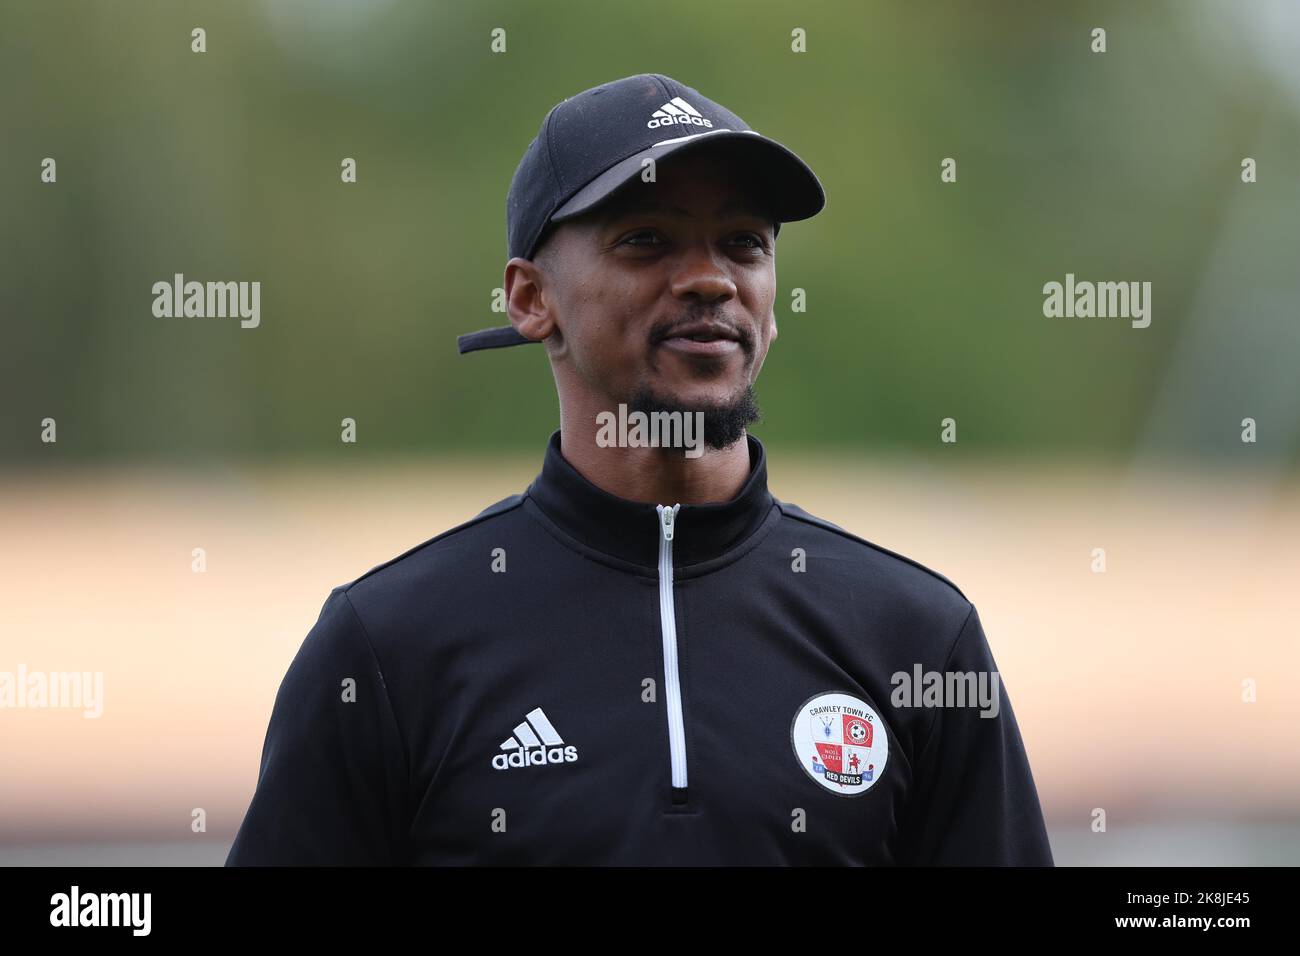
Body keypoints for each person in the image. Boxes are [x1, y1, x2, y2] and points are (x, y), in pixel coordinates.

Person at [226, 73, 1054, 866]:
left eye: (744, 244)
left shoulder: (916, 637)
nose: (709, 279)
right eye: (646, 240)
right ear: (528, 299)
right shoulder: (387, 646)